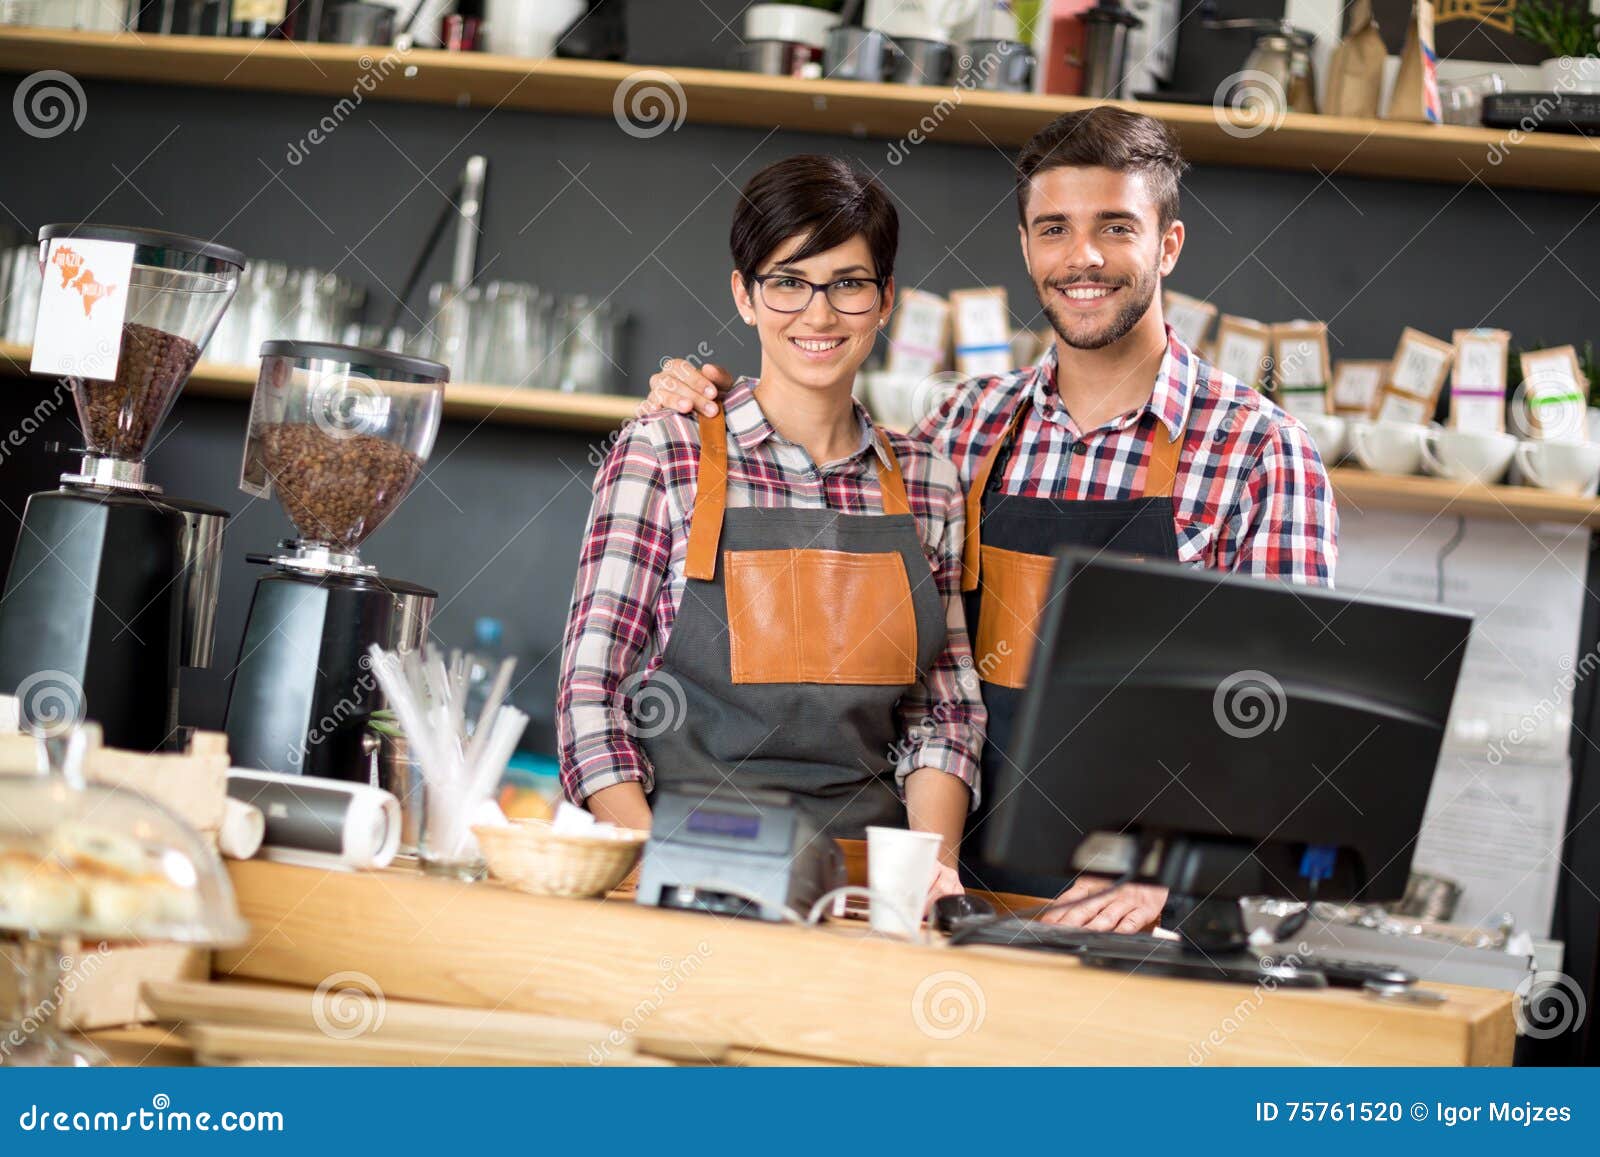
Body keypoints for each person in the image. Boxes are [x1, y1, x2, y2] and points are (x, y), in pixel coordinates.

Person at [645, 108, 1338, 932]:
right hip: (959, 908)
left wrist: (1177, 871)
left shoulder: (1259, 454)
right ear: (1026, 247)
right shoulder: (959, 435)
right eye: (1054, 228)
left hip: (1143, 925)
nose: (1082, 257)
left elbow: (1289, 735)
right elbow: (917, 677)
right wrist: (713, 408)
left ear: (1168, 246)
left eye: (1116, 227)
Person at [557, 155, 984, 897]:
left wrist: (927, 876)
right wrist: (656, 870)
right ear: (745, 296)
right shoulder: (665, 451)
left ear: (885, 301)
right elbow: (592, 695)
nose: (817, 315)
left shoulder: (930, 484)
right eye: (788, 282)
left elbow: (942, 715)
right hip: (680, 867)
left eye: (847, 284)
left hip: (861, 889)